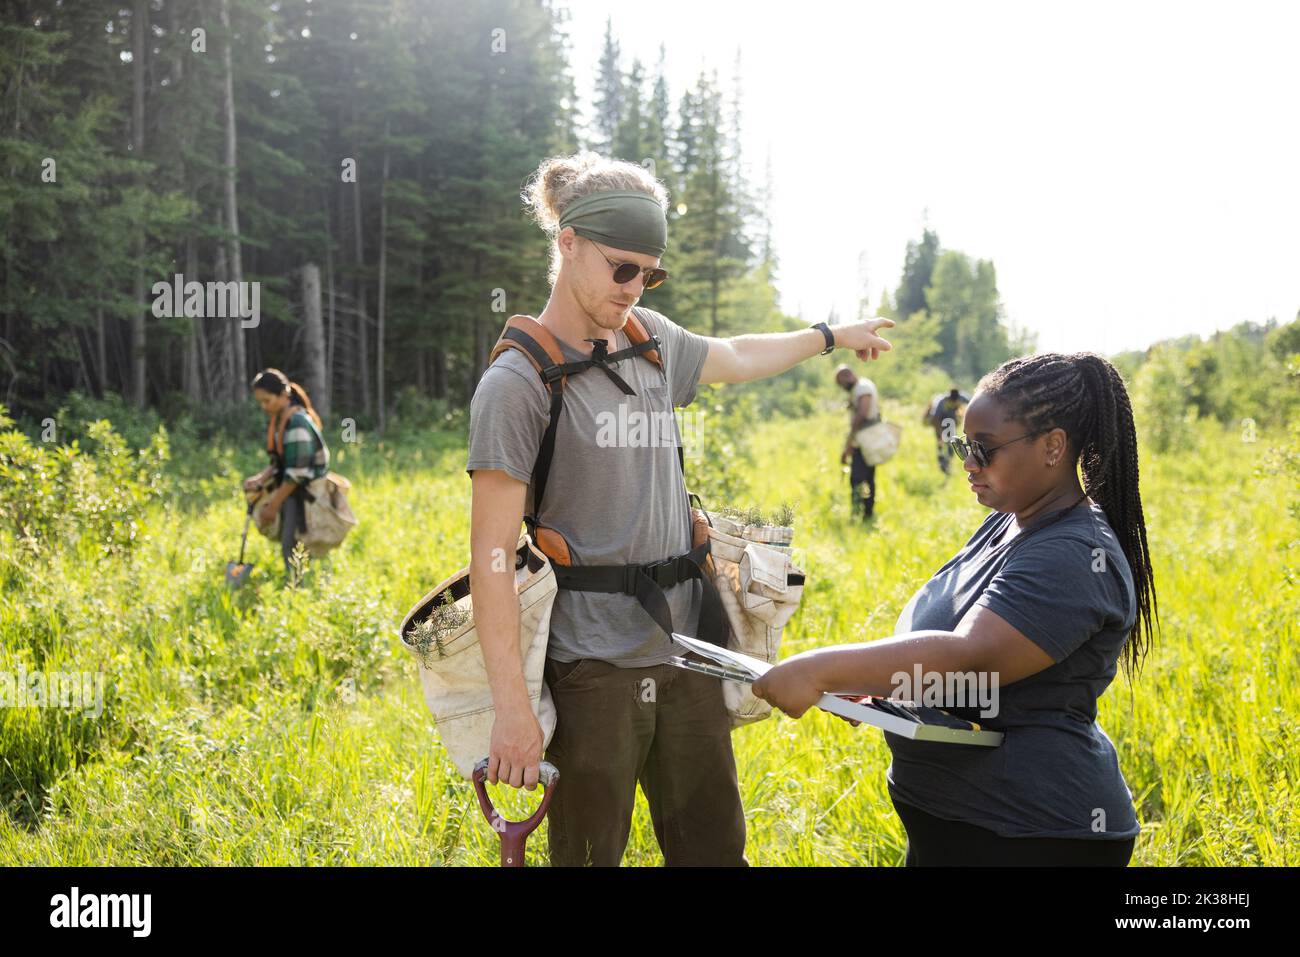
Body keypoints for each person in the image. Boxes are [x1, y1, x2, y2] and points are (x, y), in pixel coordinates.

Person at [465, 150, 895, 866]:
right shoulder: (516, 384)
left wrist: (828, 337)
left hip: (690, 646)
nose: (635, 287)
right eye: (622, 267)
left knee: (715, 849)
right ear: (566, 243)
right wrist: (512, 707)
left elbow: (737, 353)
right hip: (592, 666)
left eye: (650, 272)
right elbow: (488, 559)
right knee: (587, 854)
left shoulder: (652, 342)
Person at [752, 352, 1158, 866]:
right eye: (964, 445)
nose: (968, 462)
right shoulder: (1010, 519)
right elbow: (960, 676)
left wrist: (819, 669)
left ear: (1054, 447)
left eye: (984, 449)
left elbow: (975, 656)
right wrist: (885, 688)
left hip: (1032, 833)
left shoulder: (1075, 553)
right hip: (957, 821)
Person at [247, 369, 329, 579]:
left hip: (301, 493)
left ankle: (299, 589)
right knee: (289, 543)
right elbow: (281, 461)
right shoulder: (281, 419)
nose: (264, 407)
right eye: (261, 402)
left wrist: (272, 507)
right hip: (291, 491)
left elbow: (297, 473)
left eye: (267, 400)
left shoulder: (297, 423)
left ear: (283, 395)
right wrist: (261, 479)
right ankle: (297, 584)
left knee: (292, 546)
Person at [836, 364, 880, 520]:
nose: (842, 387)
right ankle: (864, 513)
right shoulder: (860, 387)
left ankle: (862, 514)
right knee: (866, 477)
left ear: (847, 376)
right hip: (864, 439)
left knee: (859, 478)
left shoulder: (863, 388)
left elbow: (861, 415)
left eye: (841, 383)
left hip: (865, 441)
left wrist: (848, 445)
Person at [924, 387, 971, 474]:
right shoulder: (941, 401)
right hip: (940, 423)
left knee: (952, 444)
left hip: (951, 423)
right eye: (952, 402)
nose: (954, 403)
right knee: (941, 444)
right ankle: (942, 463)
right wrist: (940, 434)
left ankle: (948, 463)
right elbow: (935, 419)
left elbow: (973, 403)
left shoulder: (962, 397)